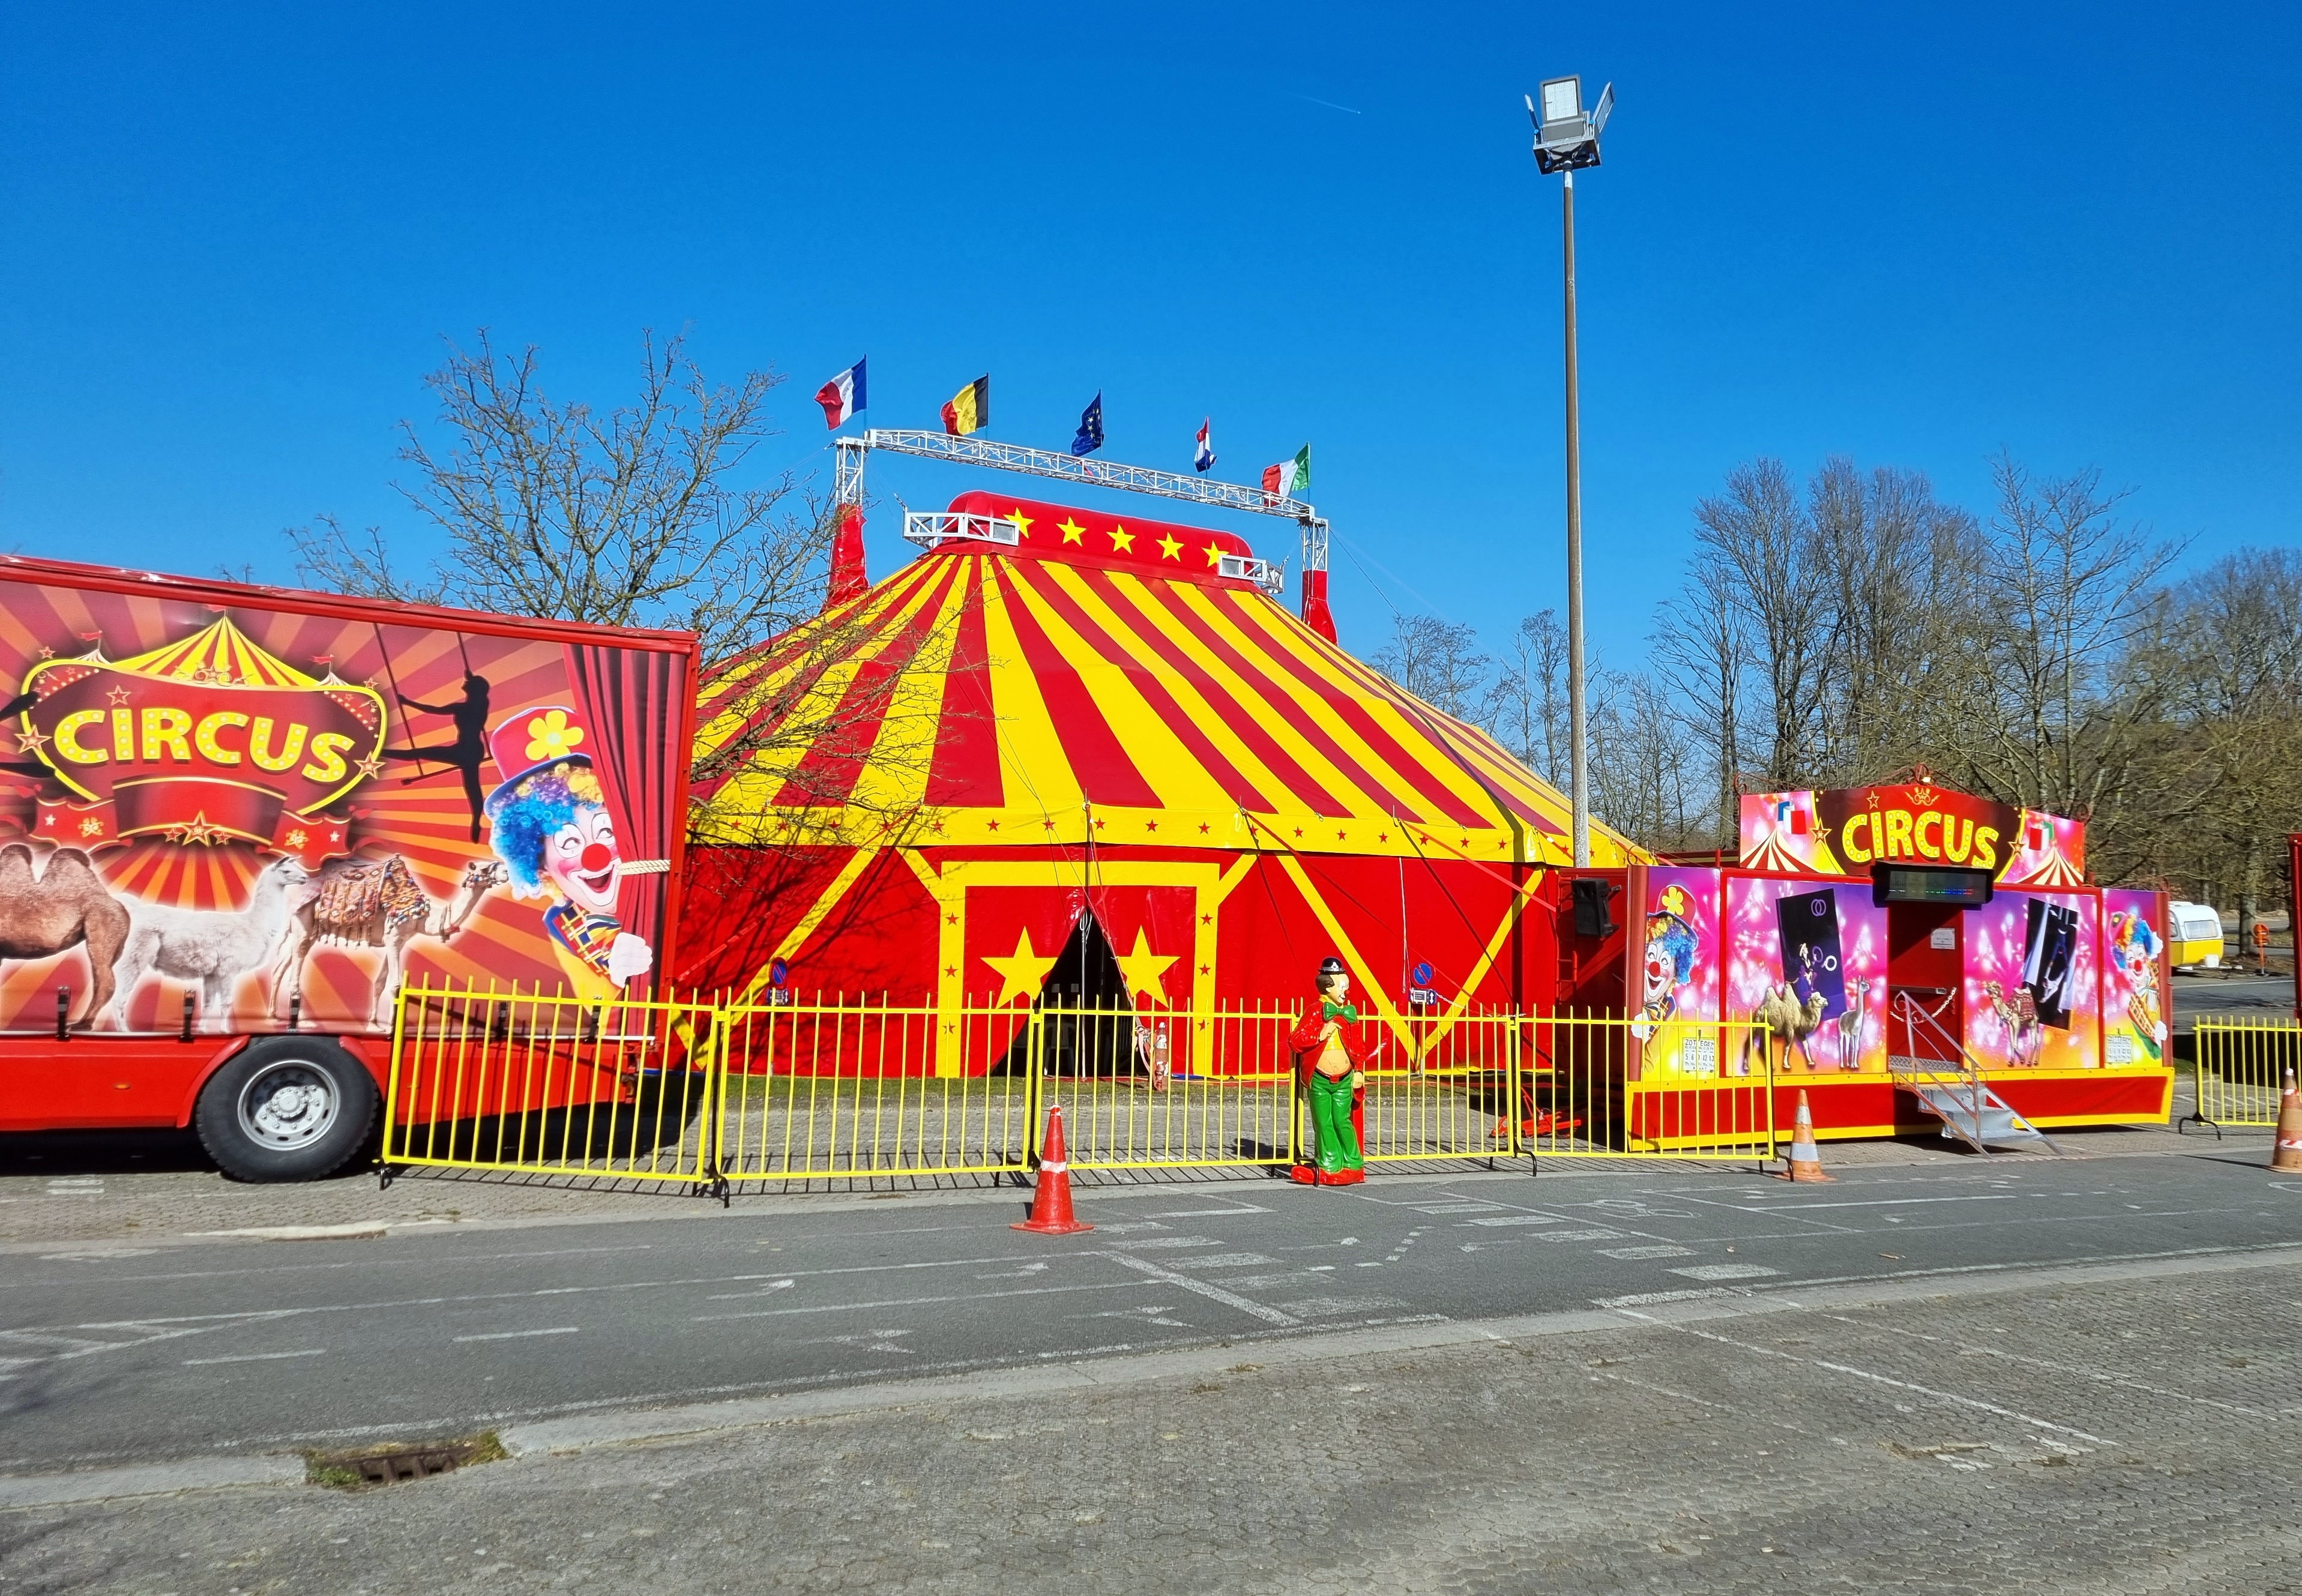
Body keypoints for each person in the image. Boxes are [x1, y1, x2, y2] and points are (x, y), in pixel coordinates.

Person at [483, 705, 652, 1005]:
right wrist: (618, 979)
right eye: (568, 842)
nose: (594, 855)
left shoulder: (663, 887)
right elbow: (601, 1017)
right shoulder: (564, 927)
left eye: (606, 831)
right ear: (541, 864)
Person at [1288, 955, 1369, 1184]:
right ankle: (1329, 1165)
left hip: (1345, 1079)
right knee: (1324, 1123)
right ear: (1328, 986)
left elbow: (1359, 1046)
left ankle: (1354, 1164)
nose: (1346, 992)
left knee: (1342, 1120)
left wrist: (1360, 1071)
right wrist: (1320, 1034)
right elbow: (1296, 1040)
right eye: (1343, 987)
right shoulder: (1316, 1011)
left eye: (1347, 987)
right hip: (1320, 1080)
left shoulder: (1348, 1014)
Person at [384, 673, 491, 842]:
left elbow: (433, 710)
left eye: (468, 683)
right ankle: (477, 820)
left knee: (418, 754)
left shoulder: (463, 708)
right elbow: (478, 693)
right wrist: (472, 678)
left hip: (465, 750)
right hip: (472, 749)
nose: (464, 683)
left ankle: (381, 752)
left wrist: (407, 702)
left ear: (473, 689)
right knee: (472, 787)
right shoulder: (481, 705)